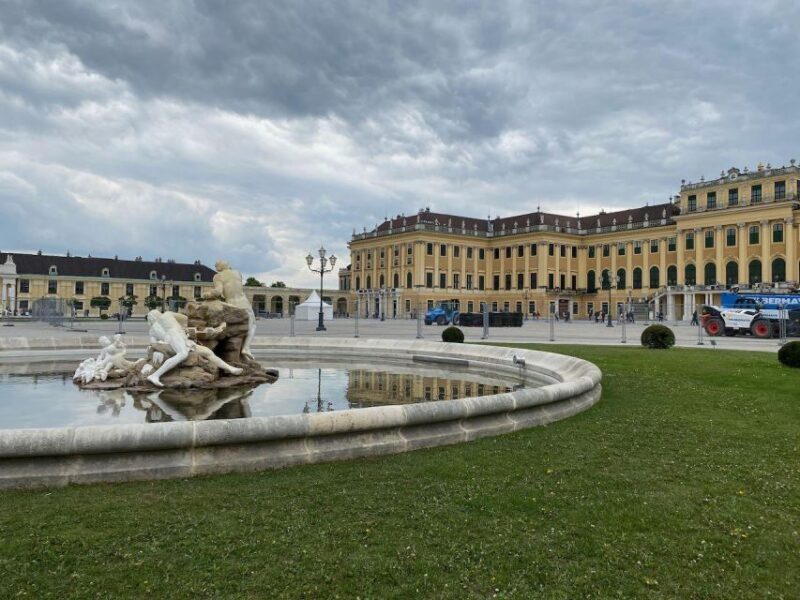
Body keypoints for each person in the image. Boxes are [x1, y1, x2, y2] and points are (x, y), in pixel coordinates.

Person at [145, 310, 242, 387]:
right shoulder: (166, 316)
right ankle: (155, 375)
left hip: (182, 340)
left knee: (208, 352)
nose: (152, 318)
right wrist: (183, 327)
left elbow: (154, 345)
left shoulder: (155, 328)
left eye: (151, 317)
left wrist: (183, 329)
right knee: (183, 354)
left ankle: (231, 369)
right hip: (175, 337)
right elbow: (184, 318)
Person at [203, 260, 256, 360]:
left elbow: (218, 292)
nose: (215, 266)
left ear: (221, 266)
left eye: (216, 265)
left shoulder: (218, 276)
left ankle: (244, 349)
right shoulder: (237, 273)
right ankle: (245, 348)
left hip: (232, 304)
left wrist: (207, 294)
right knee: (252, 325)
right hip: (244, 302)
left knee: (238, 327)